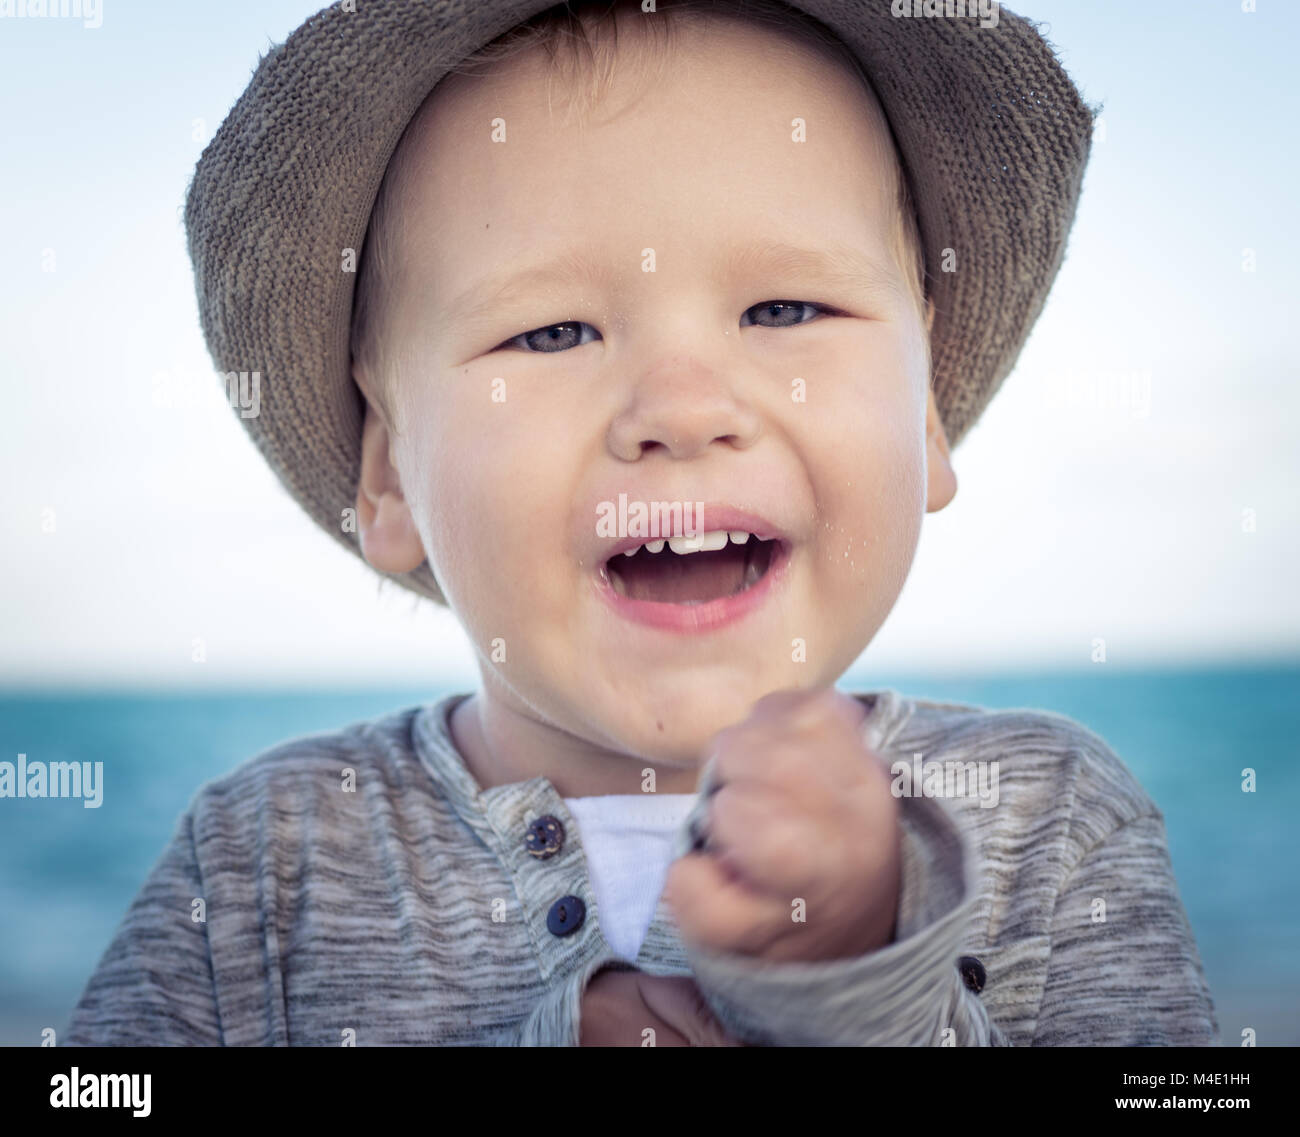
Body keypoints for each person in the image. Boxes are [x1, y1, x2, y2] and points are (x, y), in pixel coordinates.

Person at [65, 0, 1217, 1046]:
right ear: (389, 478)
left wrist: (861, 981)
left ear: (920, 416)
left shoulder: (1048, 816)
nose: (681, 408)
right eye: (552, 333)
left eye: (784, 307)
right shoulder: (268, 856)